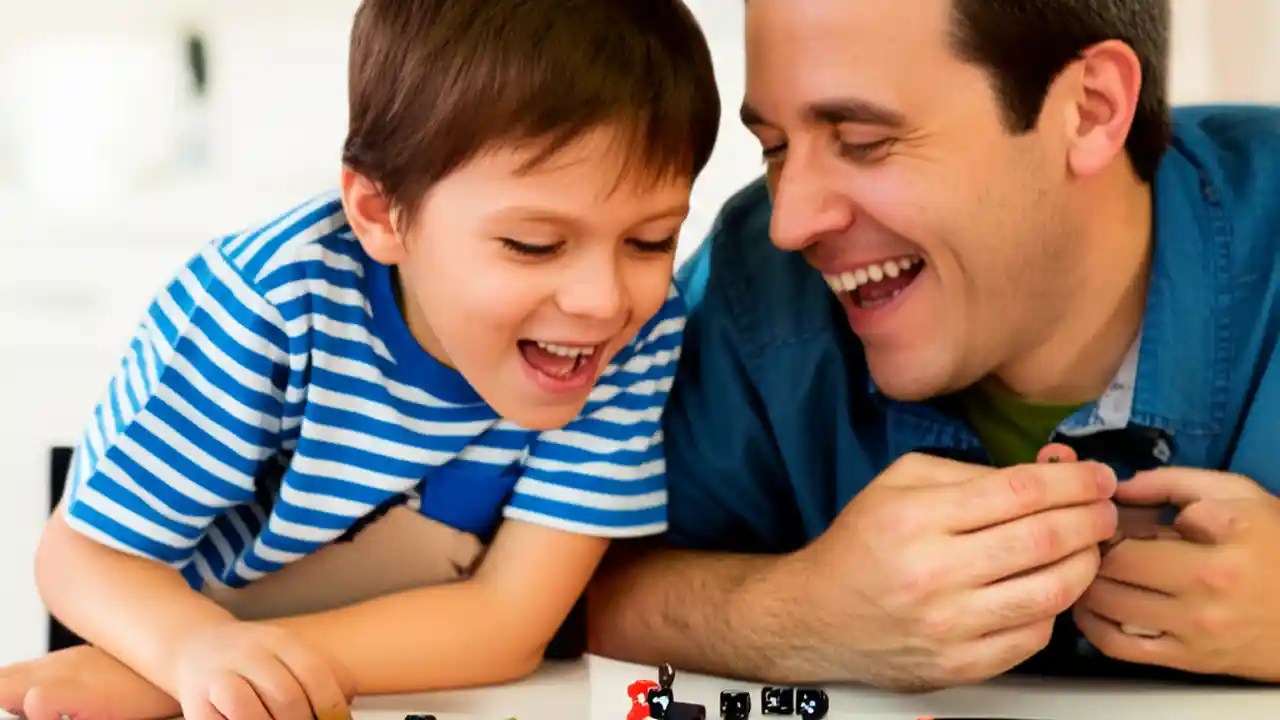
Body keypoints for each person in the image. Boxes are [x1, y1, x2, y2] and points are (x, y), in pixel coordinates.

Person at [0, 1, 719, 718]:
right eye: (533, 244)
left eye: (652, 240)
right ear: (378, 213)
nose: (601, 299)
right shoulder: (267, 305)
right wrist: (193, 656)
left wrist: (234, 669)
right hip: (153, 647)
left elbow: (508, 625)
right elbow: (79, 558)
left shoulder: (637, 331)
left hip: (337, 687)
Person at [587, 0, 1280, 692]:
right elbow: (564, 586)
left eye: (863, 141)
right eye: (775, 147)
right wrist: (793, 613)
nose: (791, 224)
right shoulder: (752, 281)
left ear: (1090, 109)